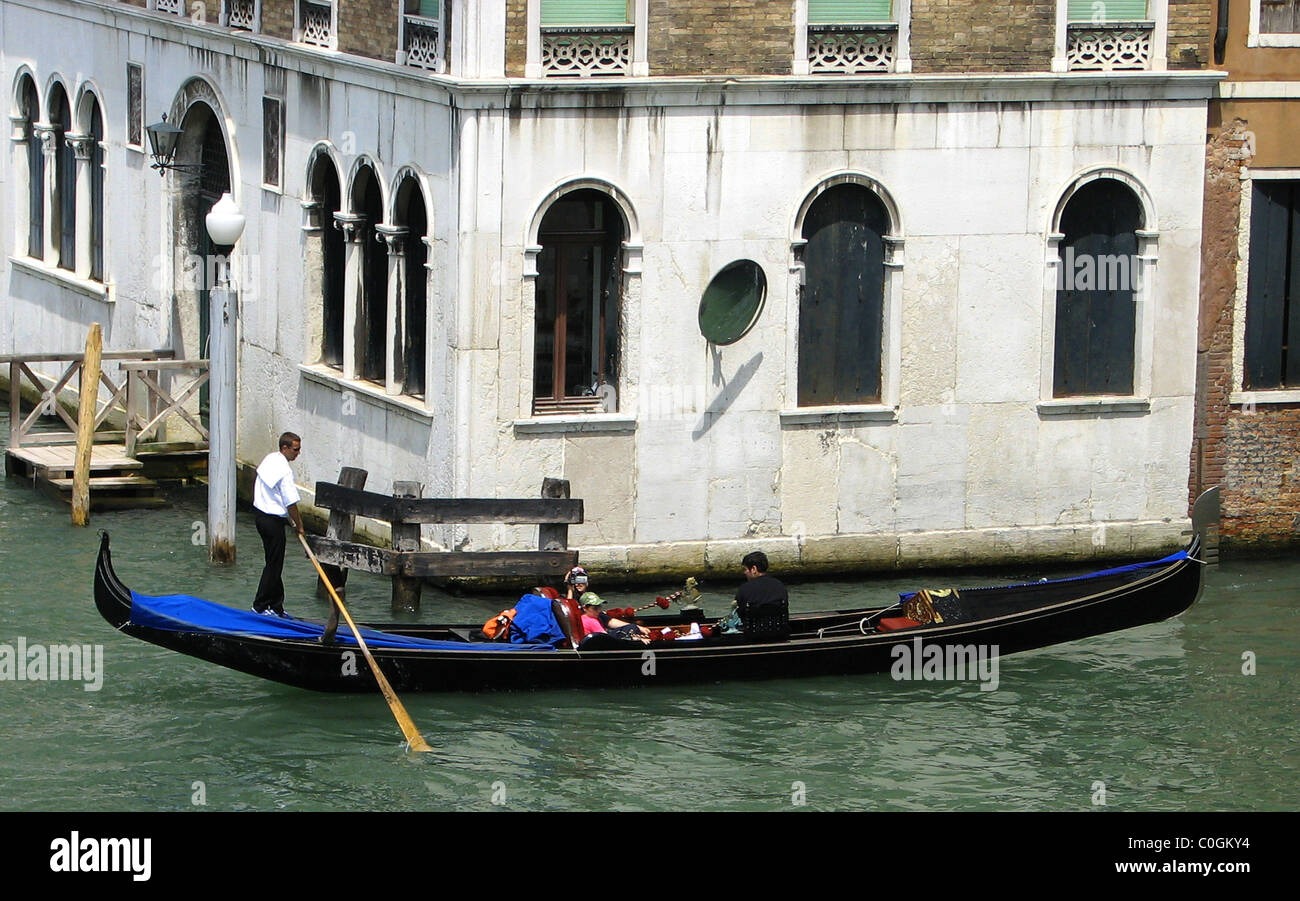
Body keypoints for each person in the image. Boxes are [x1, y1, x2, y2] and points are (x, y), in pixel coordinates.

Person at [252, 432, 305, 617]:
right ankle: (260, 606)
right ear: (285, 448)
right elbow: (291, 503)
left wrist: (288, 519)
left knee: (274, 563)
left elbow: (276, 496)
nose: (298, 453)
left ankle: (276, 606)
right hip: (272, 522)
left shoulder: (270, 459)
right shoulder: (284, 471)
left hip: (260, 517)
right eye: (296, 449)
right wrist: (299, 525)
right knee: (274, 565)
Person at [563, 566, 651, 643]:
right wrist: (569, 589)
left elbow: (608, 621)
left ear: (587, 582)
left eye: (582, 579)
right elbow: (568, 614)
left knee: (633, 626)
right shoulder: (569, 602)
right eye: (576, 580)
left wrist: (637, 627)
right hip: (589, 639)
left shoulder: (592, 601)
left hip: (595, 635)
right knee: (632, 628)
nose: (578, 583)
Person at [733, 551, 789, 638]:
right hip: (779, 635)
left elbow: (738, 614)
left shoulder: (744, 589)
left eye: (745, 569)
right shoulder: (780, 586)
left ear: (754, 569)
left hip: (753, 637)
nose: (744, 573)